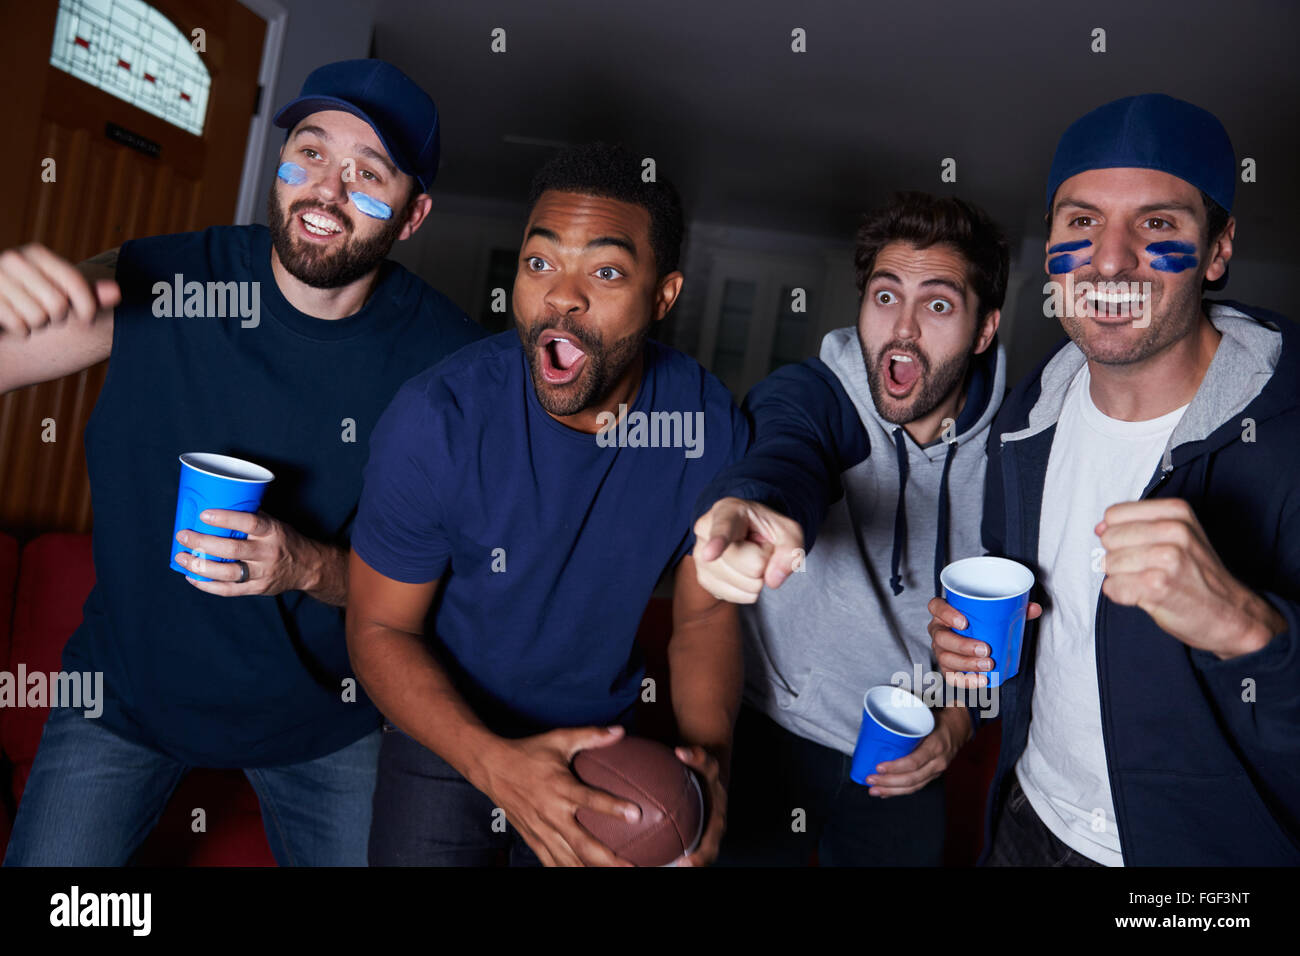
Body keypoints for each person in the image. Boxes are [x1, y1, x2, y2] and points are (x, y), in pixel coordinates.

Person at [0, 59, 483, 866]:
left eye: (370, 175)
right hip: (123, 695)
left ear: (413, 213)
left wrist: (305, 565)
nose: (327, 190)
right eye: (311, 152)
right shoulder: (167, 278)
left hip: (324, 720)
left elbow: (457, 589)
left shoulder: (450, 367)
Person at [347, 142, 751, 867]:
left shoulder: (705, 423)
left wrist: (710, 766)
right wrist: (495, 765)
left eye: (605, 271)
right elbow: (378, 628)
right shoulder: (435, 420)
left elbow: (703, 617)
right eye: (539, 264)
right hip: (446, 729)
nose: (561, 295)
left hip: (599, 742)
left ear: (663, 295)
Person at [929, 93, 1300, 865]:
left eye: (1158, 224)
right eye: (1082, 222)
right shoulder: (1028, 416)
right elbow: (1043, 632)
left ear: (1219, 249)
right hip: (1028, 820)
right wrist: (969, 659)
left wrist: (1248, 629)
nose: (1109, 258)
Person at [691, 192, 1009, 865]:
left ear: (985, 332)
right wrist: (749, 506)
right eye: (886, 296)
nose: (904, 328)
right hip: (771, 725)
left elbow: (996, 624)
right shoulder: (816, 394)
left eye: (940, 305)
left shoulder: (1018, 450)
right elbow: (782, 450)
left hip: (908, 744)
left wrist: (957, 719)